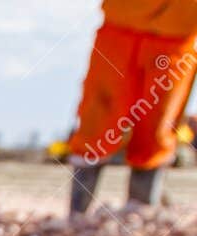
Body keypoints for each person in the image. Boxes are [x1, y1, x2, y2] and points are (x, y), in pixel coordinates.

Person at [67, 0, 197, 213]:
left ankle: (140, 211)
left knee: (158, 125)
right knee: (97, 119)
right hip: (121, 29)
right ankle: (77, 216)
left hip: (176, 37)